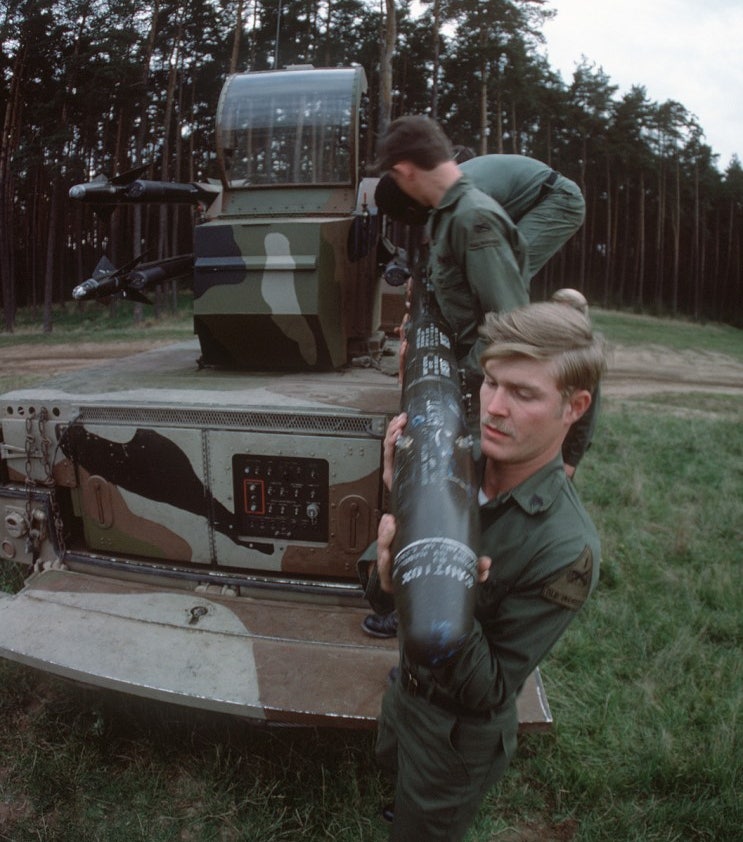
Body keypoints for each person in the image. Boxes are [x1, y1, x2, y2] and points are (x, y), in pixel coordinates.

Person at [369, 301, 607, 840]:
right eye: (491, 382)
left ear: (574, 407)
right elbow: (378, 590)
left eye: (523, 394)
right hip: (404, 691)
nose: (494, 408)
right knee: (392, 770)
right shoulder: (455, 457)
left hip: (455, 736)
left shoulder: (565, 548)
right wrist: (403, 497)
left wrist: (448, 595)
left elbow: (492, 688)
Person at [375, 115, 530, 385]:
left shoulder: (472, 218)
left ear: (405, 171)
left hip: (484, 382)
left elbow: (509, 325)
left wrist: (459, 378)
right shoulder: (448, 216)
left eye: (394, 176)